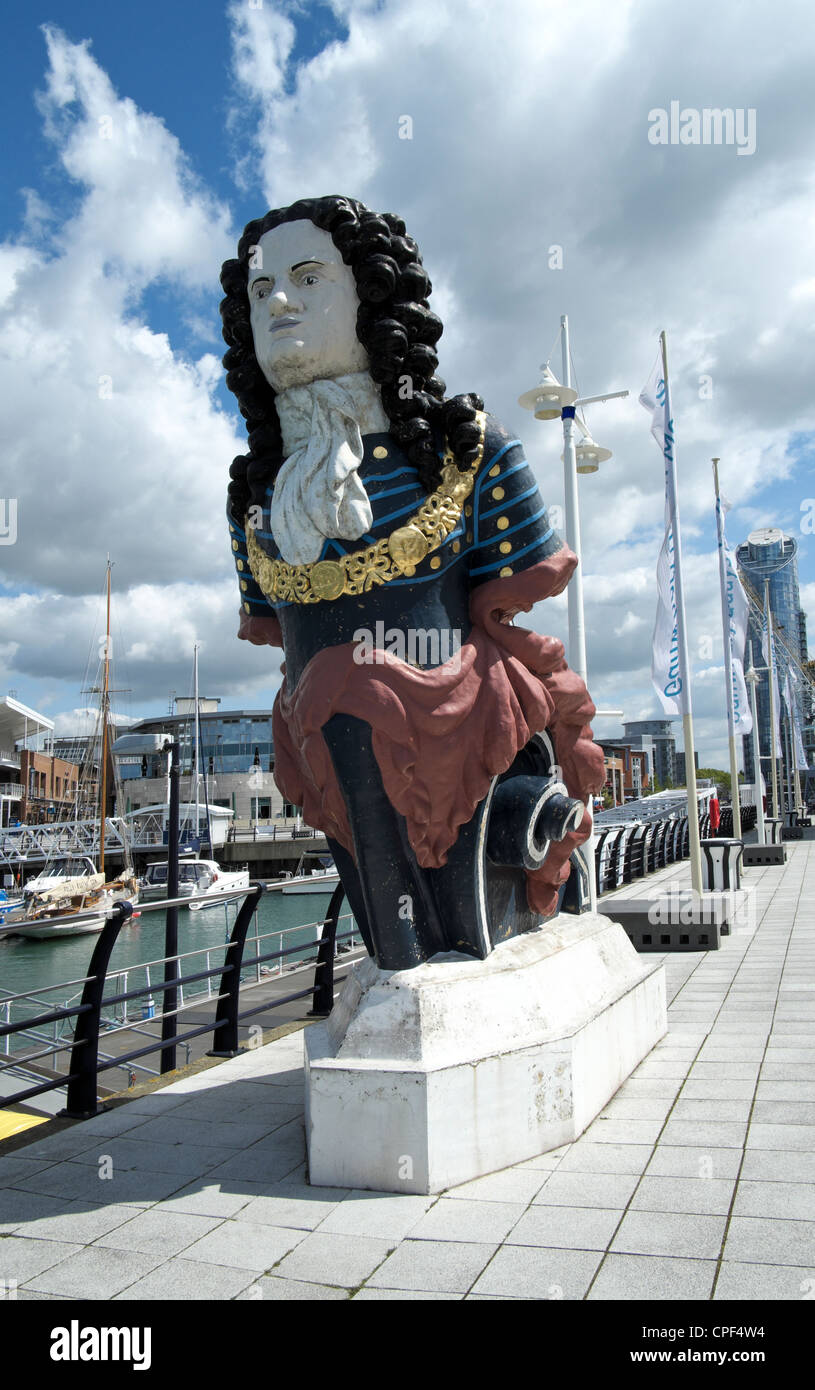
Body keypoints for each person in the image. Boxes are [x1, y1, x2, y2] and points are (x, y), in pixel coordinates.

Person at [221, 196, 605, 971]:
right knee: (331, 700)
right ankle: (404, 954)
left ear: (372, 296)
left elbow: (502, 609)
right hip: (331, 743)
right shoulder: (253, 496)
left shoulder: (468, 453)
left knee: (342, 684)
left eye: (306, 278)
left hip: (458, 710)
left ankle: (420, 949)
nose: (281, 303)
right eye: (262, 292)